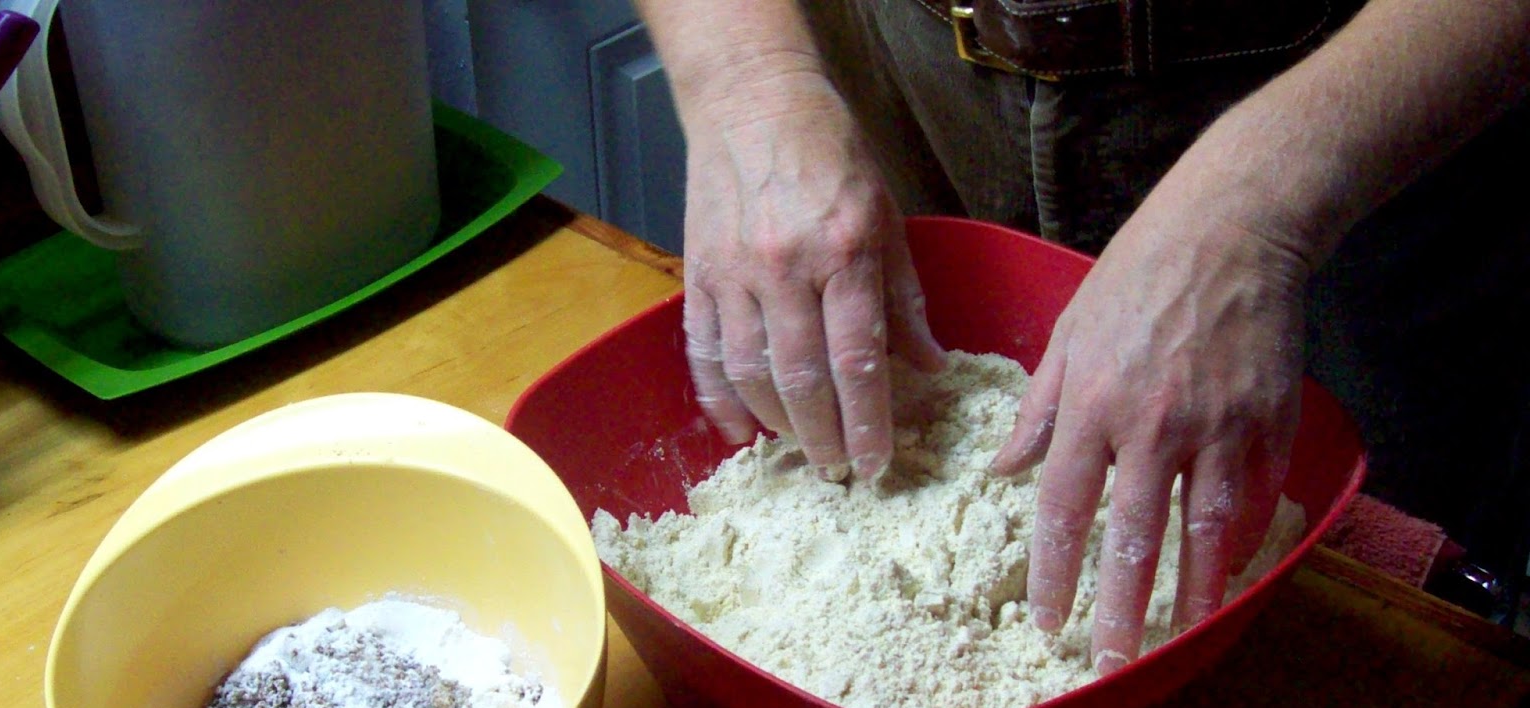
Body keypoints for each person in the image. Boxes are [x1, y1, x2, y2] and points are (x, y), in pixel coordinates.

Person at [630, 0, 1530, 674]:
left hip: (1352, 94)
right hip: (900, 63)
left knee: (1383, 651)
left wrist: (1253, 218)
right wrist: (748, 79)